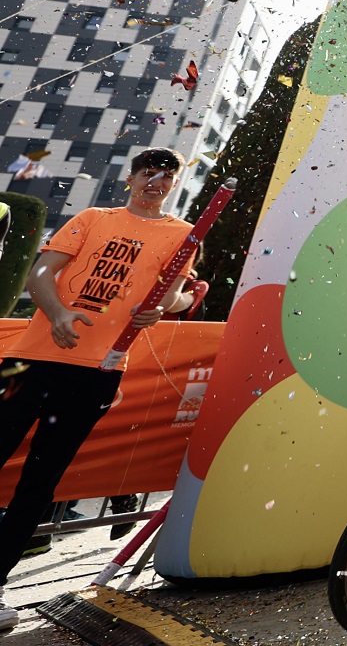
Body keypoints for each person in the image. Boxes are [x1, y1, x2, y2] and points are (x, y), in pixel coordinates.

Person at [0, 148, 198, 629]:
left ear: (172, 184)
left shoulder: (182, 236)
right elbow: (41, 272)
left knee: (39, 484)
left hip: (98, 371)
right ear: (129, 178)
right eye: (147, 173)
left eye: (165, 176)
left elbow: (171, 296)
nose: (155, 181)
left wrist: (168, 307)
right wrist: (60, 312)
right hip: (33, 360)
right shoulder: (94, 217)